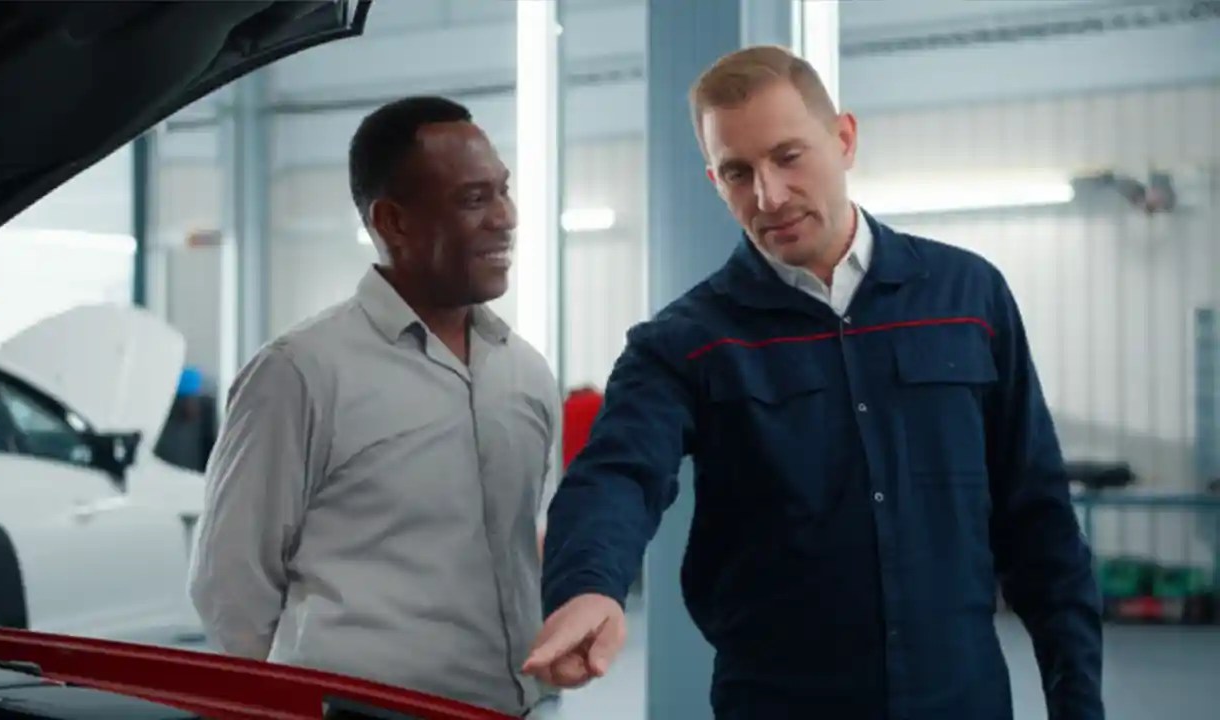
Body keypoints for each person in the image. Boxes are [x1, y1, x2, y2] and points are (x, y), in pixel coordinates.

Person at [523, 45, 1104, 720]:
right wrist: (589, 584)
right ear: (715, 179)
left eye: (788, 156)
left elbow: (1040, 520)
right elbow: (616, 474)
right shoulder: (687, 341)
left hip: (961, 698)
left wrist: (1078, 701)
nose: (768, 195)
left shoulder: (967, 297)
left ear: (844, 139)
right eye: (738, 172)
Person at [188, 95, 562, 717]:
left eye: (503, 191)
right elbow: (230, 585)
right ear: (393, 221)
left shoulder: (525, 371)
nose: (506, 217)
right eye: (474, 199)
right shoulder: (300, 372)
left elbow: (528, 551)